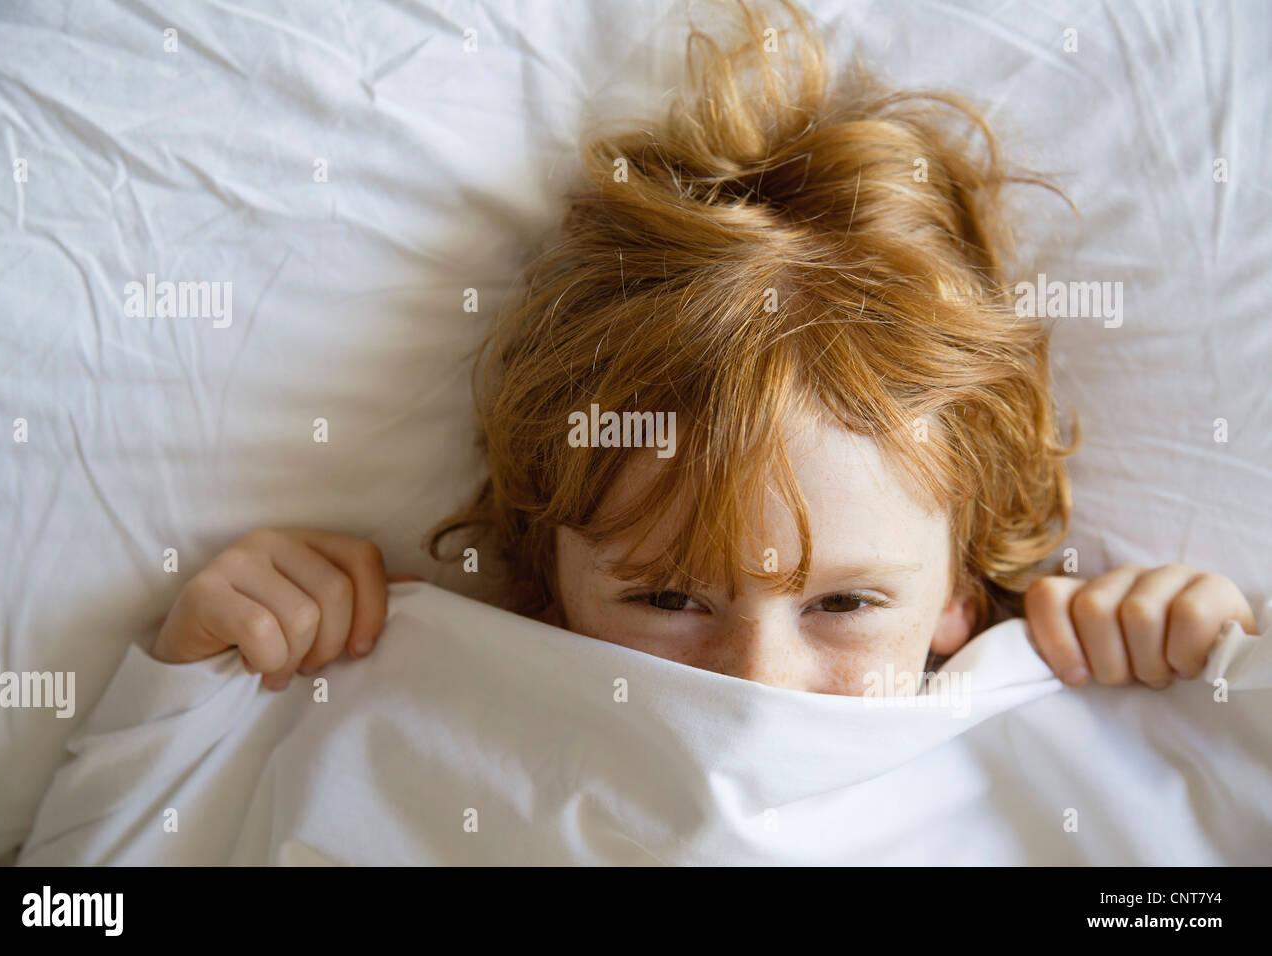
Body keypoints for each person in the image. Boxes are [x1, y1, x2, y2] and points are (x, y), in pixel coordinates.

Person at [151, 0, 1256, 694]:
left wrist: (1223, 682)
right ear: (547, 587)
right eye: (669, 599)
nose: (757, 681)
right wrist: (192, 688)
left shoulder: (1040, 728)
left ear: (958, 598)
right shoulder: (415, 704)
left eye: (845, 603)